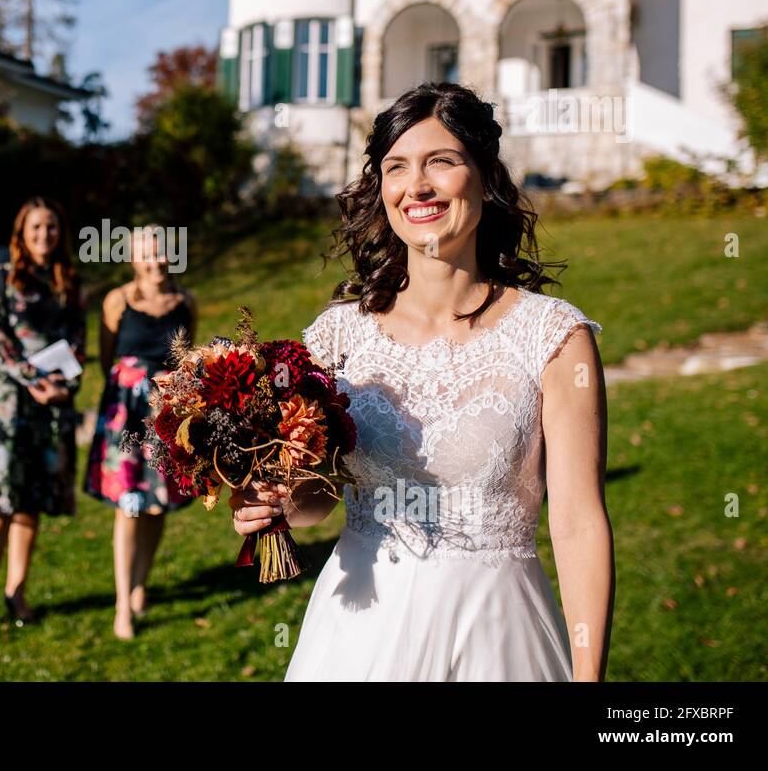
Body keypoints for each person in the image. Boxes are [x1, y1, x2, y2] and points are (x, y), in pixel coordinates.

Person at [231, 82, 614, 681]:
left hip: (497, 631)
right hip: (360, 634)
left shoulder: (555, 339)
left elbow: (578, 521)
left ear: (485, 176)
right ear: (380, 188)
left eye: (442, 161)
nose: (418, 187)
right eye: (397, 167)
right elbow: (319, 498)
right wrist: (276, 503)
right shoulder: (336, 339)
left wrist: (589, 678)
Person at [0, 197, 86, 626]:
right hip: (8, 404)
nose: (44, 234)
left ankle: (18, 590)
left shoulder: (67, 283)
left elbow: (77, 343)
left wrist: (63, 387)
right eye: (36, 227)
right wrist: (35, 380)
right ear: (21, 233)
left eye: (51, 226)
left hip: (50, 406)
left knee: (30, 500)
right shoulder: (0, 278)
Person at [83, 225, 198, 640]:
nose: (155, 261)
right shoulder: (117, 301)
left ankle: (139, 586)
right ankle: (121, 605)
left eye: (161, 252)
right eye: (146, 254)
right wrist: (133, 390)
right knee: (129, 506)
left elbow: (186, 359)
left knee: (157, 504)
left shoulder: (186, 302)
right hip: (125, 416)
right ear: (133, 259)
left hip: (166, 415)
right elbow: (106, 358)